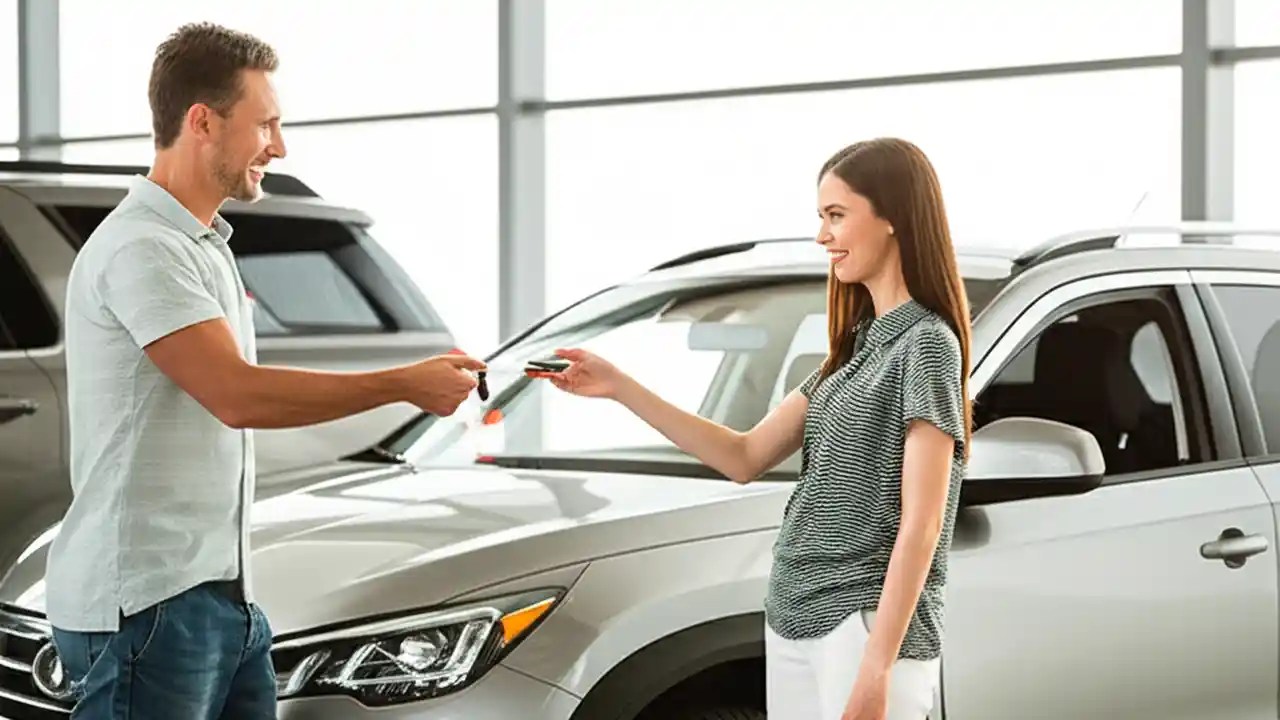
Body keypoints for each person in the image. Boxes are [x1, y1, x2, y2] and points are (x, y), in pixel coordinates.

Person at [43, 22, 485, 719]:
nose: (278, 146)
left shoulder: (202, 244)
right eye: (266, 124)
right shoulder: (144, 248)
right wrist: (402, 383)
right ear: (202, 122)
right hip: (147, 605)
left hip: (219, 597)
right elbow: (236, 394)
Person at [528, 137, 971, 720]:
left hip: (863, 625)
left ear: (893, 218)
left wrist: (878, 667)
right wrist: (619, 386)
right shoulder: (849, 356)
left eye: (837, 216)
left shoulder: (927, 345)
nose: (823, 236)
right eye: (821, 218)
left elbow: (923, 522)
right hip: (792, 614)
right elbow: (742, 456)